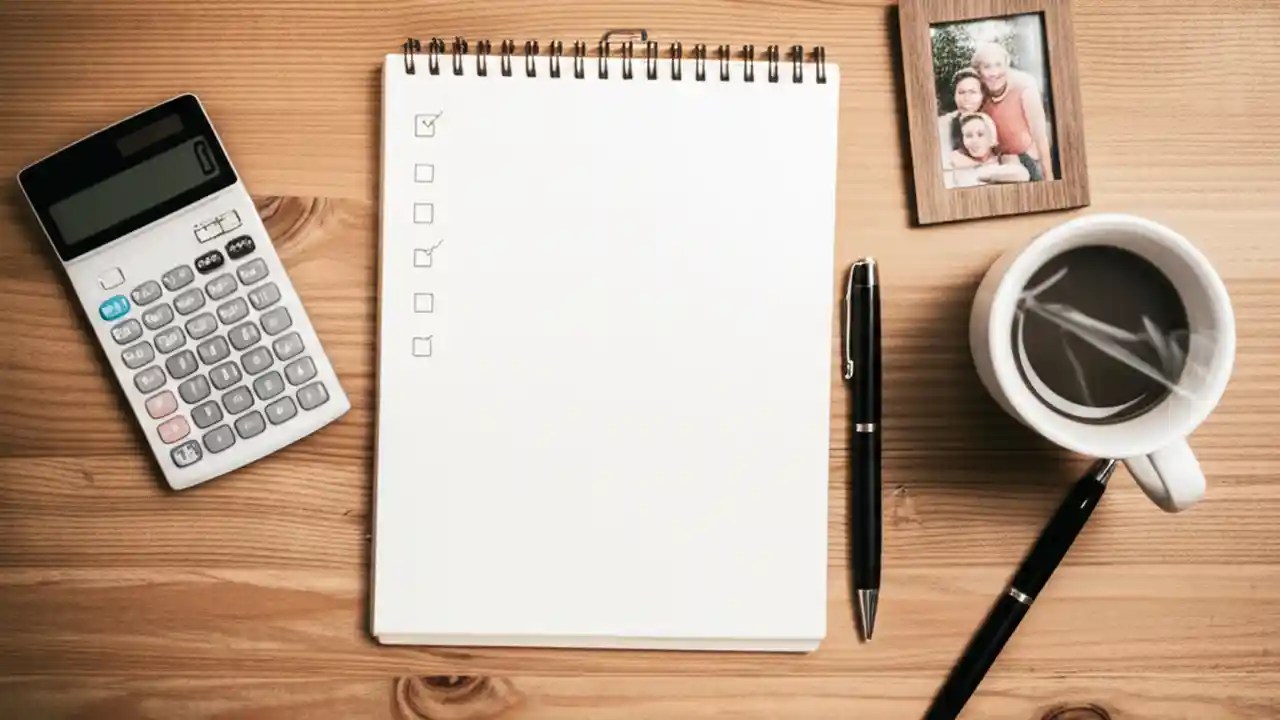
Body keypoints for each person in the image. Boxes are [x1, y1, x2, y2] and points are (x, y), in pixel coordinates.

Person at [971, 42, 1053, 181]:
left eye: (998, 65)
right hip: (997, 162)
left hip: (1027, 158)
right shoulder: (978, 92)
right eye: (987, 66)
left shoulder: (1024, 85)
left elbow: (1040, 135)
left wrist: (1049, 178)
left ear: (1007, 65)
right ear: (979, 71)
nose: (994, 73)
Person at [949, 112, 1031, 185]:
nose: (974, 141)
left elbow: (1022, 175)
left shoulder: (1005, 158)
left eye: (980, 134)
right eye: (968, 136)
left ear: (992, 137)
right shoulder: (957, 159)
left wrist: (982, 172)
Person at [937, 68, 987, 167]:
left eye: (972, 92)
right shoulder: (942, 124)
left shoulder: (990, 123)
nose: (966, 98)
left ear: (983, 95)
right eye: (961, 92)